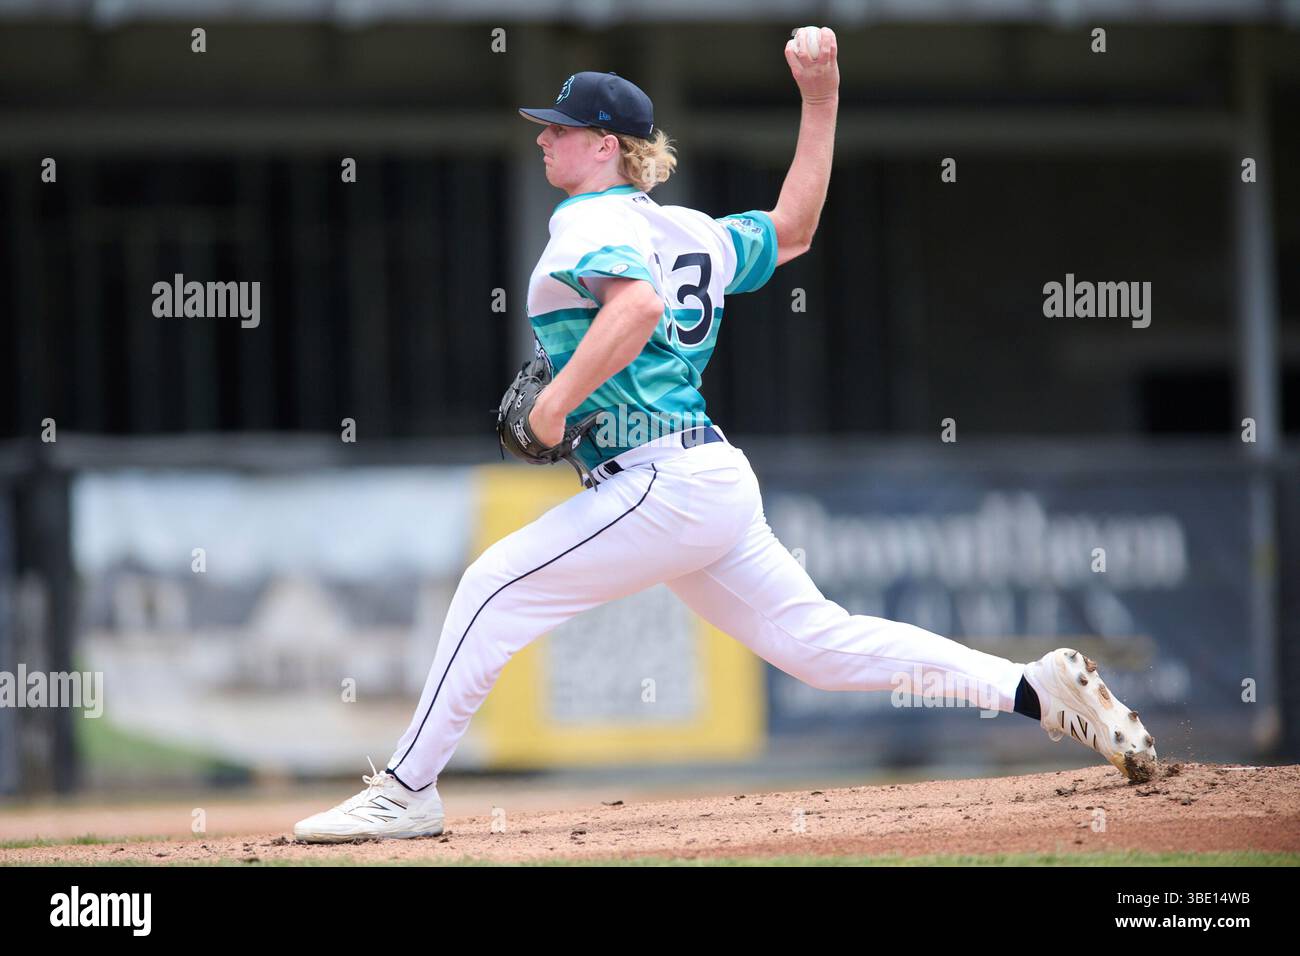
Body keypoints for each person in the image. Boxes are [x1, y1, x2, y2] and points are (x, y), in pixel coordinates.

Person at [294, 29, 1156, 843]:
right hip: (705, 477)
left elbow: (631, 306)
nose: (543, 141)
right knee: (816, 645)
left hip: (658, 478)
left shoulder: (589, 221)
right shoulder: (692, 231)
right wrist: (822, 103)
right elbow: (795, 228)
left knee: (490, 587)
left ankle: (406, 792)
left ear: (605, 146)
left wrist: (554, 406)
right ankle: (1032, 690)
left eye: (558, 129)